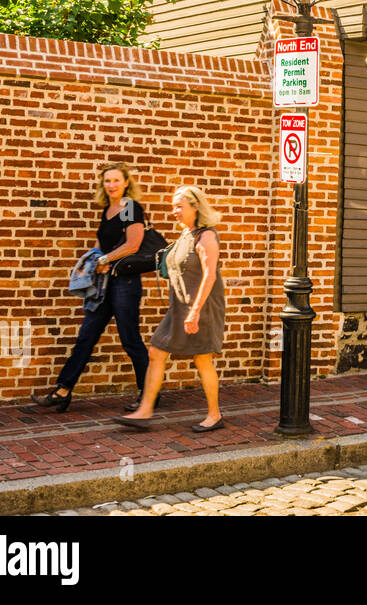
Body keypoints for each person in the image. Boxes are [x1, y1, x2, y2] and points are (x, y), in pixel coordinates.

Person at [31, 163, 151, 413]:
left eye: (116, 180)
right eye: (107, 181)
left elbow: (133, 244)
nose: (112, 185)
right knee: (86, 336)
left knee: (130, 340)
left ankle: (149, 394)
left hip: (124, 282)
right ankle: (63, 390)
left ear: (126, 182)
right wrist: (93, 259)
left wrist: (104, 260)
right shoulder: (108, 209)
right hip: (105, 282)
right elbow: (102, 242)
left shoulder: (129, 207)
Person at [116, 186, 226, 432]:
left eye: (179, 206)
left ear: (195, 206)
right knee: (156, 351)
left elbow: (209, 277)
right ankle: (144, 411)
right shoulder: (186, 235)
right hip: (179, 306)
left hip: (202, 306)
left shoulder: (206, 237)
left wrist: (196, 311)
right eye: (173, 206)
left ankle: (214, 415)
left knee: (202, 358)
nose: (174, 211)